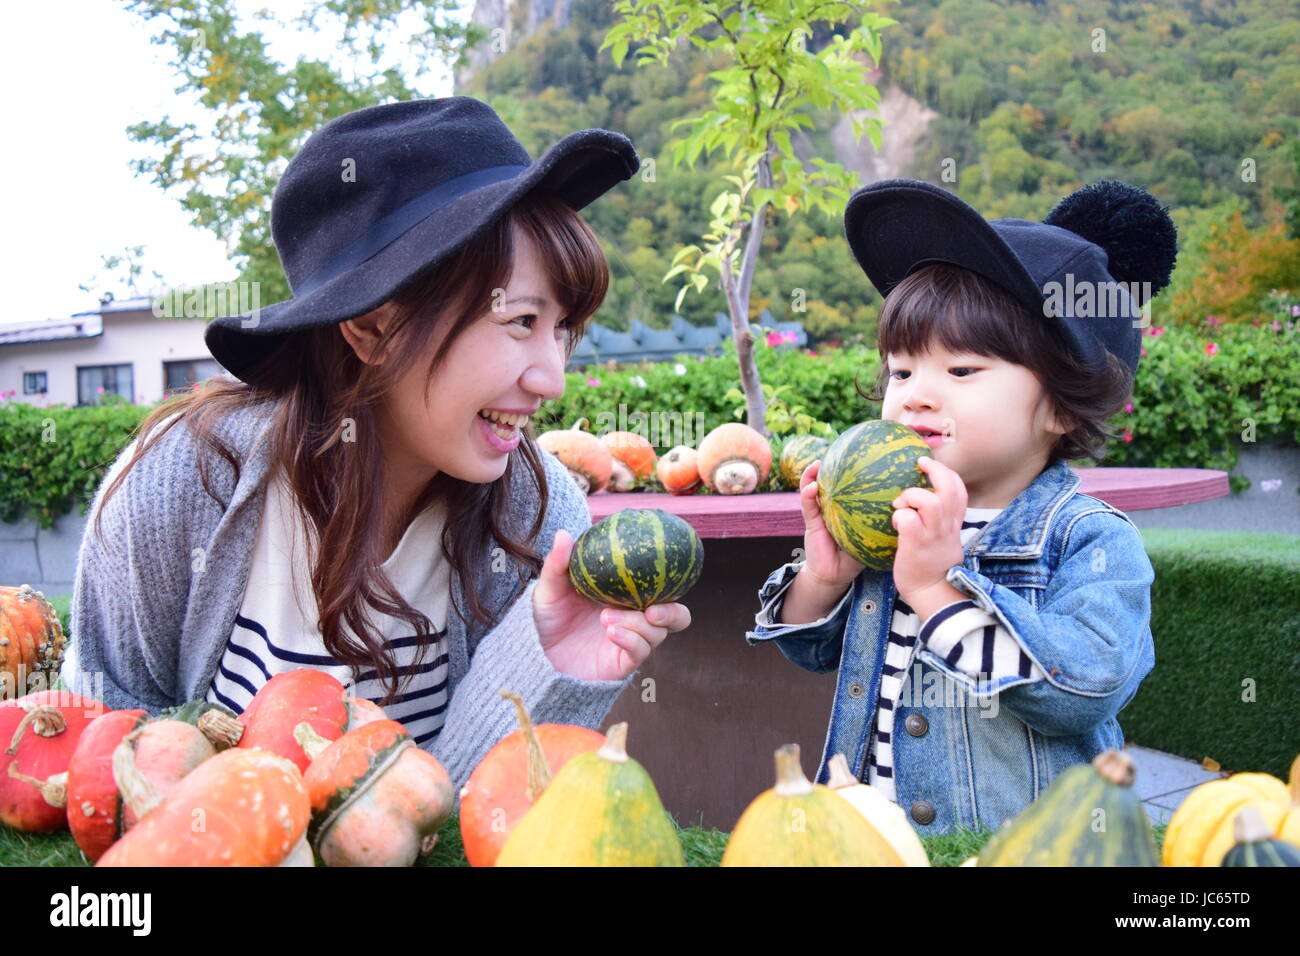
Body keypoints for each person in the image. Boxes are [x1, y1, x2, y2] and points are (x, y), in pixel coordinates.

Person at [63, 96, 691, 793]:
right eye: (520, 321)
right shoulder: (184, 483)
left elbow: (458, 825)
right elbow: (103, 767)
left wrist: (546, 664)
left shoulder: (541, 518)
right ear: (370, 331)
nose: (553, 379)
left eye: (564, 329)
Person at [746, 178, 1178, 834]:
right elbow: (811, 653)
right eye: (901, 370)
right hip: (877, 839)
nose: (915, 395)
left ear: (1060, 405)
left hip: (1025, 847)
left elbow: (1080, 692)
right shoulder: (891, 514)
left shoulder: (1087, 540)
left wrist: (936, 592)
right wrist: (822, 580)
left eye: (962, 371)